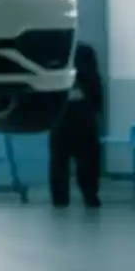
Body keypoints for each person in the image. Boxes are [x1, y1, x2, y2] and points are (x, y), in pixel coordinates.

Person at [50, 41, 105, 208]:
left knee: (60, 160)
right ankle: (90, 195)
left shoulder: (56, 53)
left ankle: (61, 198)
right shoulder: (85, 54)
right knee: (87, 158)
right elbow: (95, 89)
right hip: (82, 114)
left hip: (62, 114)